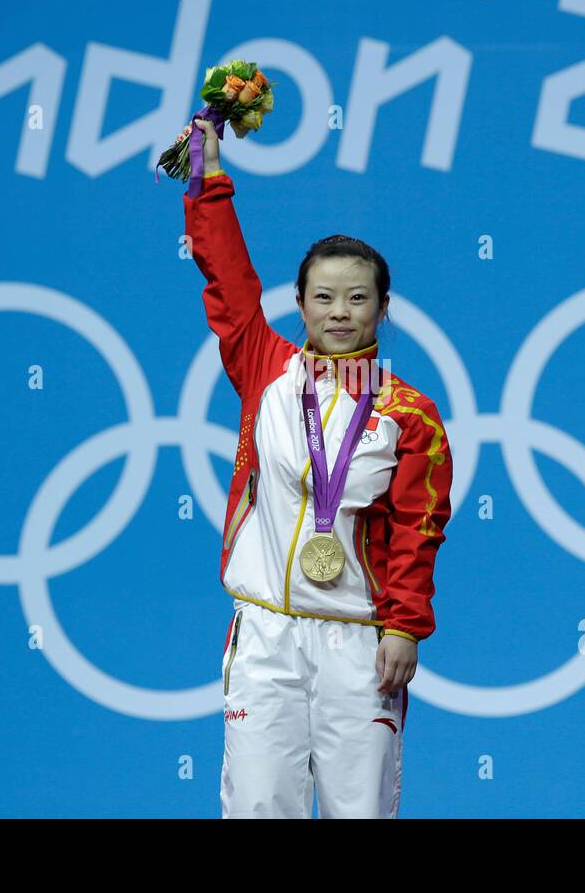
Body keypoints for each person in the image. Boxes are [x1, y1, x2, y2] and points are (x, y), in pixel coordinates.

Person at [182, 118, 453, 818]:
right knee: (257, 807)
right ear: (298, 304)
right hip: (266, 634)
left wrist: (403, 627)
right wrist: (209, 177)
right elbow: (225, 275)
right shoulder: (264, 370)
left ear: (384, 309)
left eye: (358, 298)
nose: (340, 311)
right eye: (324, 297)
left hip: (359, 643)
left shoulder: (410, 414)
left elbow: (416, 534)